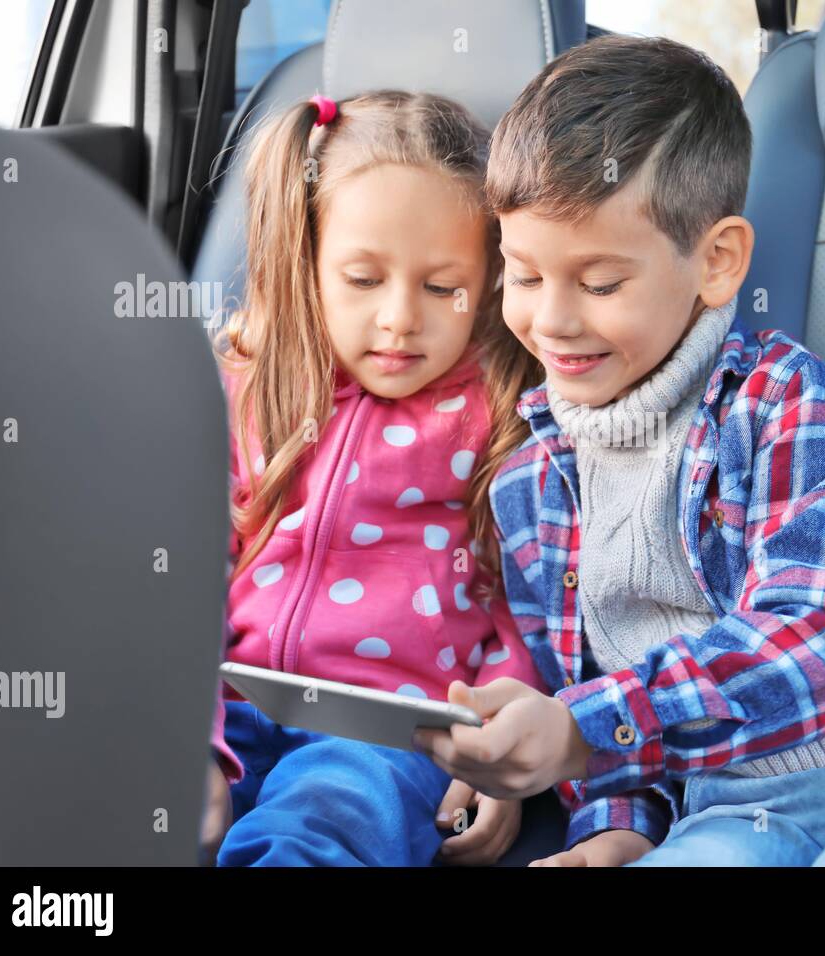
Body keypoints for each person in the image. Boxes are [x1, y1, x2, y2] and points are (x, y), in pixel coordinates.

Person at [411, 35, 825, 867]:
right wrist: (610, 825)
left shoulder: (793, 411)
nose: (554, 320)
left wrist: (582, 729)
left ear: (717, 263)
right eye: (524, 276)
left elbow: (823, 639)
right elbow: (603, 691)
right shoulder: (533, 486)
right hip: (729, 808)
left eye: (601, 283)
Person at [203, 89, 544, 866]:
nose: (399, 317)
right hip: (228, 706)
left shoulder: (498, 415)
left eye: (439, 287)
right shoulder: (253, 388)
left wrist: (500, 760)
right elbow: (186, 575)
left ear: (489, 281)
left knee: (322, 822)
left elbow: (524, 609)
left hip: (391, 731)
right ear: (309, 262)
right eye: (363, 279)